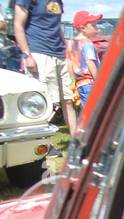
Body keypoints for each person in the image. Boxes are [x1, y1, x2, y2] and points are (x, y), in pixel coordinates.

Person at [13, 0, 79, 137]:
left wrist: (66, 49)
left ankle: (76, 142)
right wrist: (27, 55)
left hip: (59, 54)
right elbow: (18, 25)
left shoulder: (58, 2)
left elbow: (56, 27)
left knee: (67, 101)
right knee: (43, 102)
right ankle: (41, 143)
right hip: (39, 54)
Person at [66, 10, 101, 112]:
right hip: (91, 83)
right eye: (94, 26)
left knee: (86, 111)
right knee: (95, 111)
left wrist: (73, 83)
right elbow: (90, 63)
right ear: (83, 28)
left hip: (80, 84)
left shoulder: (71, 43)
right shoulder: (87, 44)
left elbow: (69, 65)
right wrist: (99, 82)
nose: (97, 29)